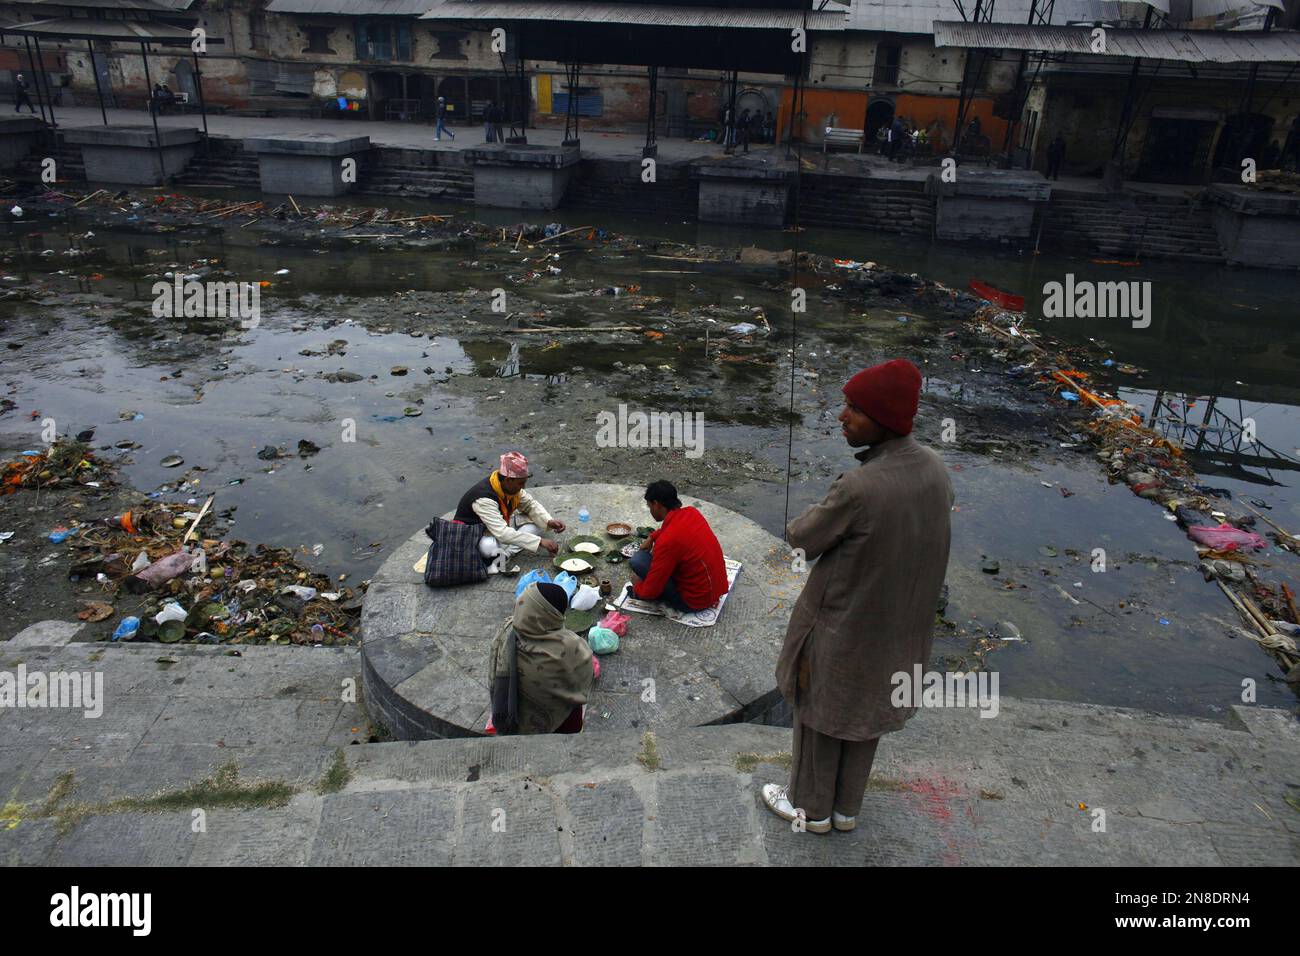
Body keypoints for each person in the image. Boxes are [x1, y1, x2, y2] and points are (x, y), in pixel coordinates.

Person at [761, 359, 954, 834]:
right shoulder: (934, 468)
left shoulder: (859, 486)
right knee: (865, 717)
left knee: (820, 714)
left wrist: (801, 519)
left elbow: (803, 539)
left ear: (883, 419)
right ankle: (846, 809)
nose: (841, 416)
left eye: (854, 408)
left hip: (844, 627)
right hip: (901, 630)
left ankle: (810, 809)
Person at [488, 581, 595, 735]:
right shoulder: (569, 647)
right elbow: (583, 679)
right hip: (561, 723)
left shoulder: (506, 631)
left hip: (513, 714)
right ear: (556, 616)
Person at [453, 451, 565, 571]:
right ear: (508, 480)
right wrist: (540, 542)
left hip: (494, 530)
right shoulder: (483, 499)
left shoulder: (511, 488)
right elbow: (502, 533)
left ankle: (506, 554)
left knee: (538, 523)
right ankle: (502, 553)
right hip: (473, 535)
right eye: (521, 483)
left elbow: (530, 505)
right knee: (489, 547)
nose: (523, 487)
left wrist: (549, 521)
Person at [627, 480, 728, 613]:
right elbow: (671, 527)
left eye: (649, 506)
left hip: (694, 602)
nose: (650, 510)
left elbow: (652, 590)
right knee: (663, 560)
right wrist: (652, 537)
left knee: (638, 560)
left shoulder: (667, 541)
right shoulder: (692, 512)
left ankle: (651, 595)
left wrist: (637, 587)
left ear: (656, 504)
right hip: (716, 590)